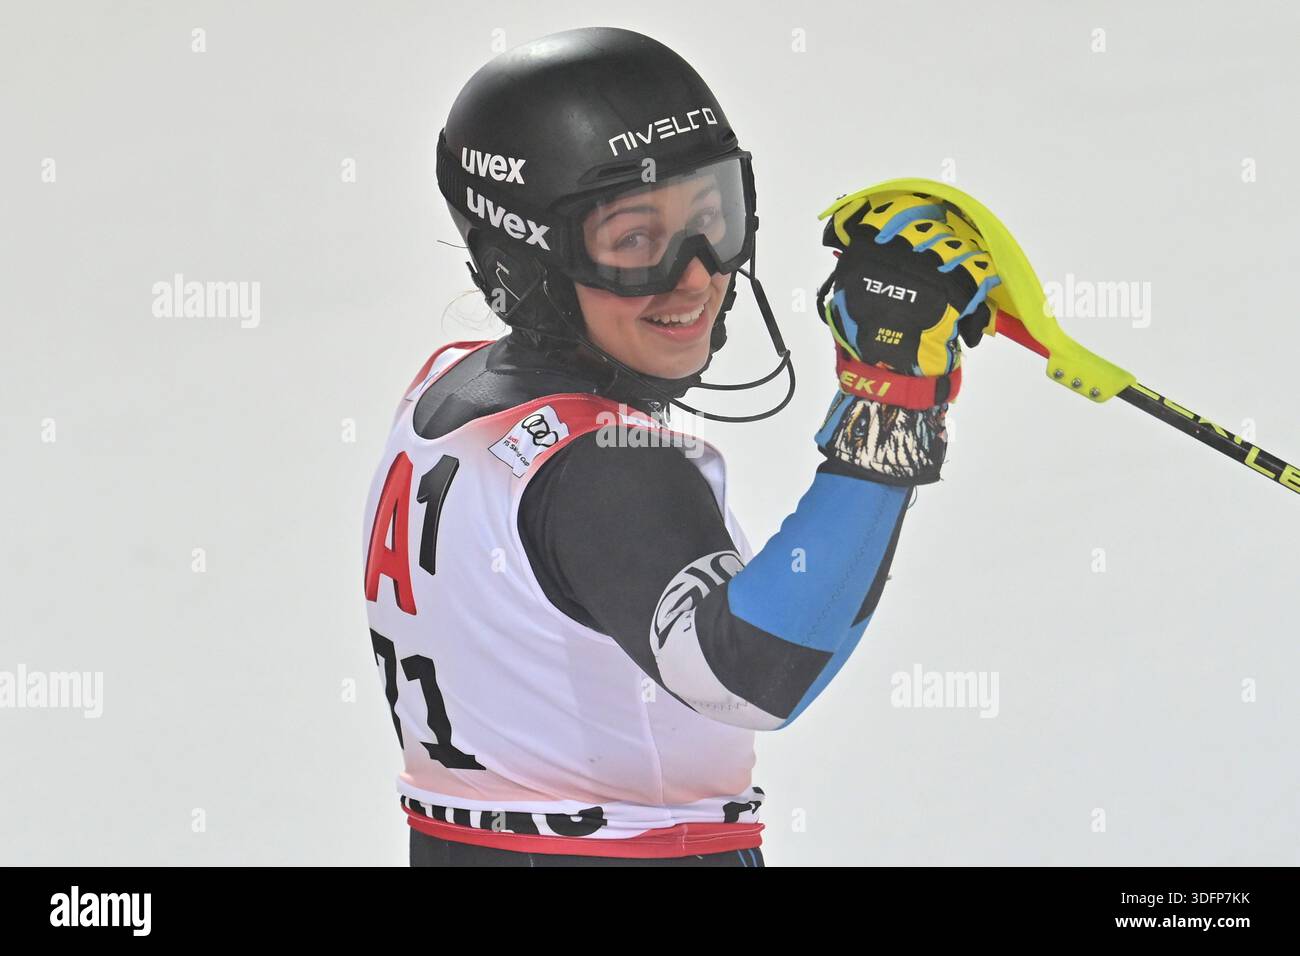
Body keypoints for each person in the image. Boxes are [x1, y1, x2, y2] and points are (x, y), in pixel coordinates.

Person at [361, 26, 1000, 867]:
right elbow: (754, 673)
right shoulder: (603, 463)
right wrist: (891, 395)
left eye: (714, 218)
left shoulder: (454, 387)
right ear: (530, 259)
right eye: (633, 241)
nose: (695, 275)